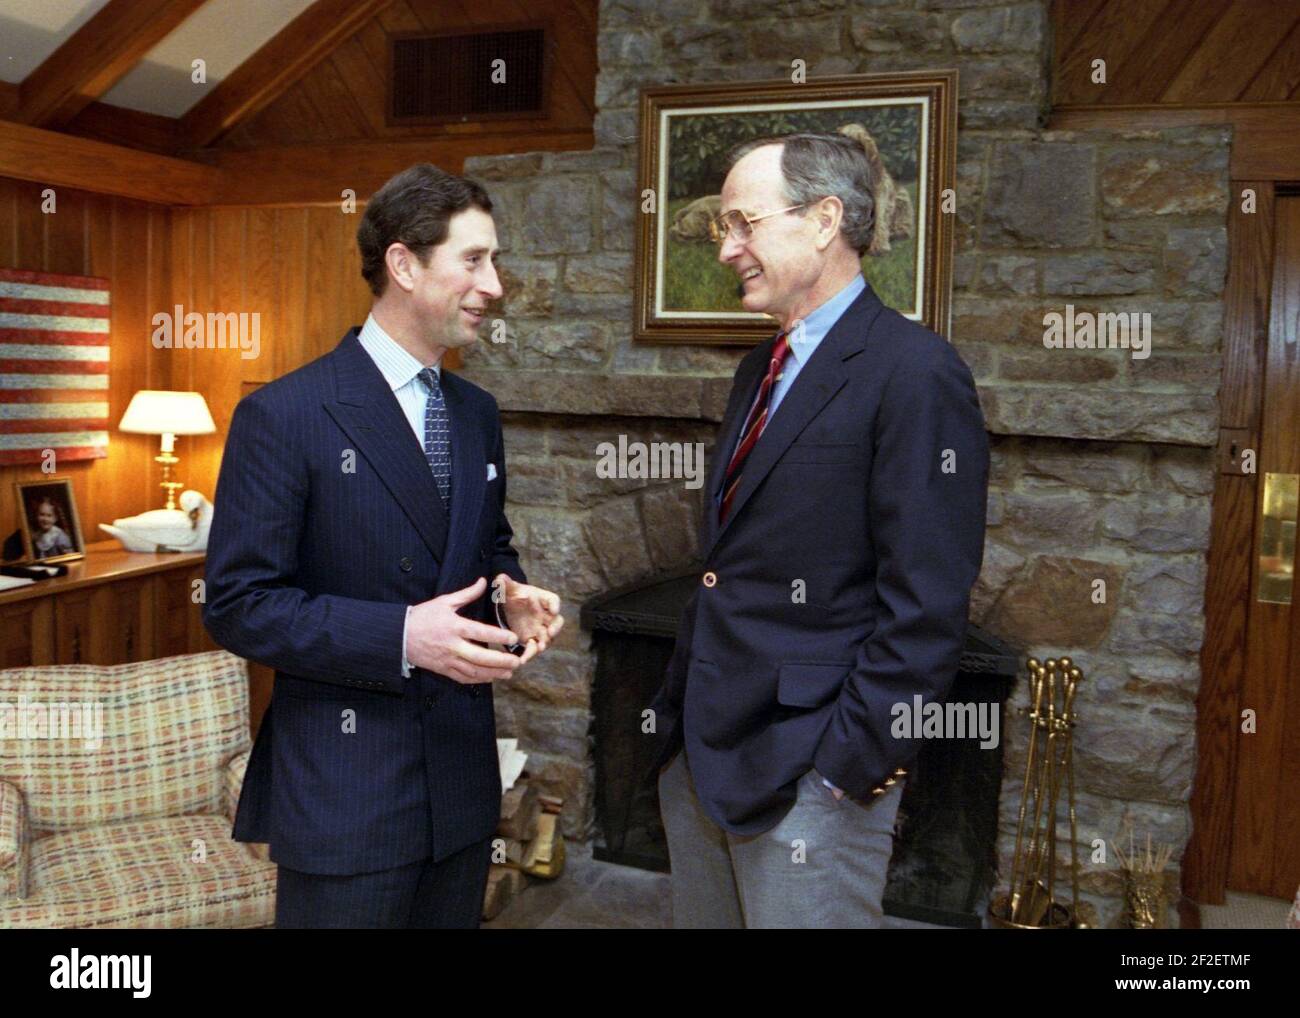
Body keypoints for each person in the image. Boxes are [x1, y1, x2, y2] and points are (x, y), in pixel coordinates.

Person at [203, 163, 563, 929]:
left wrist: (510, 593)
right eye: (474, 260)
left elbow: (486, 544)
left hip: (461, 796)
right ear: (403, 264)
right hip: (348, 803)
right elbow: (238, 606)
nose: (494, 284)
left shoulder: (475, 412)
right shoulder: (285, 414)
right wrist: (402, 636)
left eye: (494, 260)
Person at [648, 133, 989, 928]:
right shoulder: (757, 369)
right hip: (701, 756)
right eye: (721, 229)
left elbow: (928, 603)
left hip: (810, 776)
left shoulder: (915, 372)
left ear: (825, 219)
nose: (728, 248)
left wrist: (845, 769)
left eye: (743, 223)